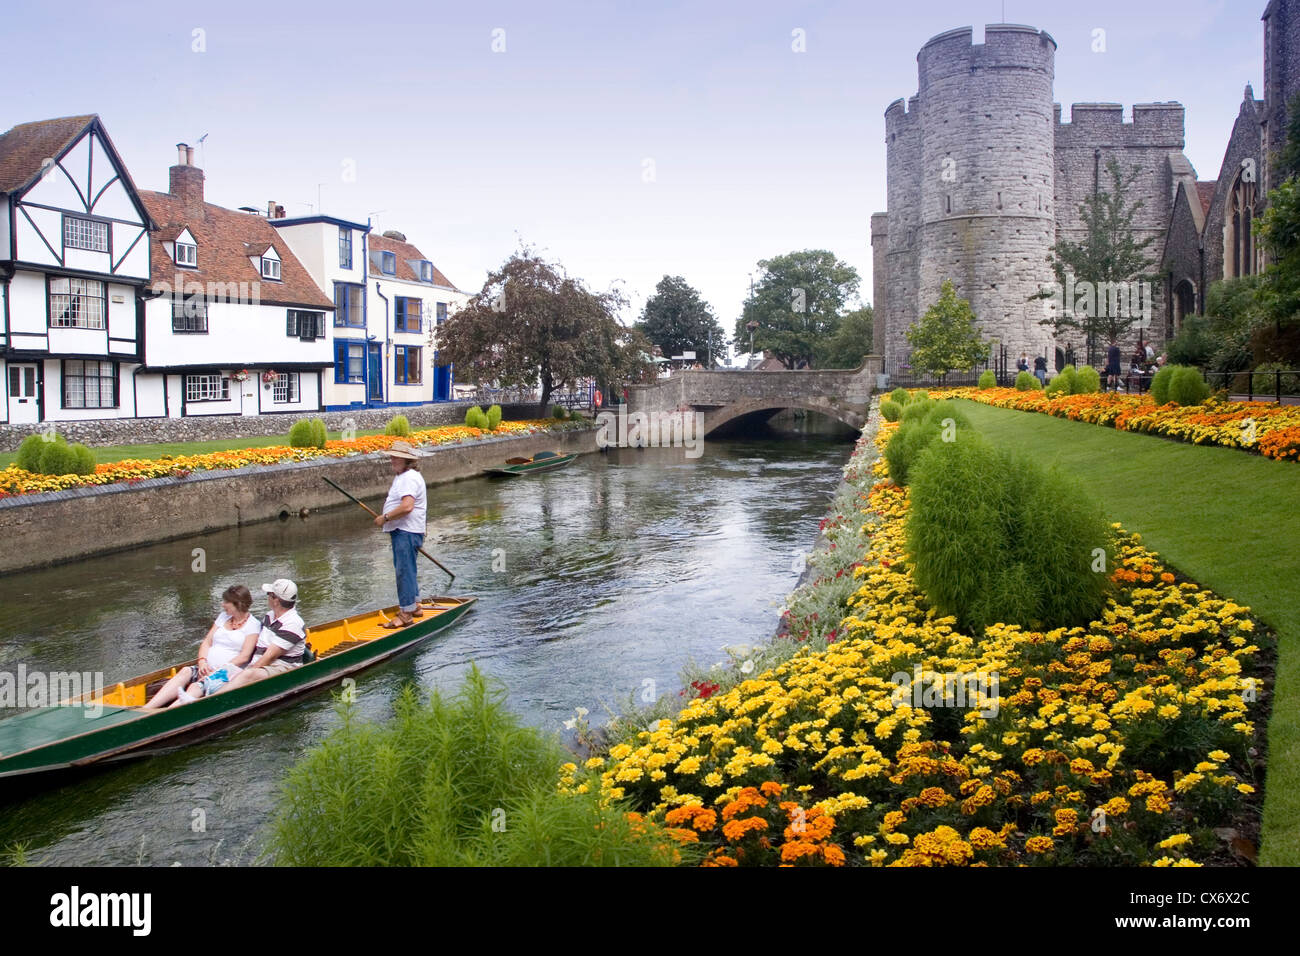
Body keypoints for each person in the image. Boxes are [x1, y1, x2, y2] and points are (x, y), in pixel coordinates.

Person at [143, 585, 261, 709]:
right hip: (205, 668)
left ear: (237, 604)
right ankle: (148, 708)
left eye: (226, 602)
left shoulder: (253, 625)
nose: (222, 604)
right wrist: (202, 662)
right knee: (185, 671)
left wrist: (218, 670)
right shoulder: (223, 617)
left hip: (226, 673)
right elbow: (207, 642)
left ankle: (168, 712)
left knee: (196, 687)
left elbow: (244, 656)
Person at [376, 440, 428, 629]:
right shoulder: (405, 476)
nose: (392, 460)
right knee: (408, 568)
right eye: (391, 456)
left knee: (403, 571)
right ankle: (415, 605)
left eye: (396, 457)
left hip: (406, 531)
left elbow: (407, 506)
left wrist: (385, 517)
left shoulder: (409, 478)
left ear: (406, 460)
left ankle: (406, 614)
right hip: (408, 530)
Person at [224, 580, 308, 688]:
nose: (267, 597)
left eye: (269, 594)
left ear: (276, 600)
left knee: (248, 674)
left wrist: (246, 671)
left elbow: (269, 657)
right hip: (261, 664)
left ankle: (212, 700)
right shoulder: (269, 616)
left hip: (281, 668)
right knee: (228, 667)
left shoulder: (293, 623)